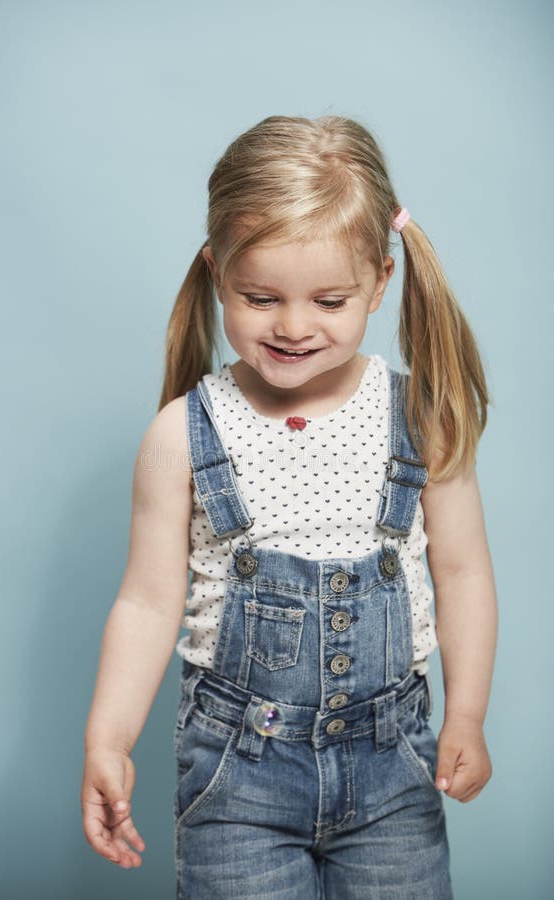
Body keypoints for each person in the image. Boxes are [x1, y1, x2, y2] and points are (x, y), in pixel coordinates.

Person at [81, 114, 497, 898]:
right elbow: (146, 603)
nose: (294, 326)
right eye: (261, 297)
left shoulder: (420, 419)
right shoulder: (181, 435)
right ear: (217, 273)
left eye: (330, 300)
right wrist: (107, 739)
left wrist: (466, 714)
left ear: (381, 279)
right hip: (238, 780)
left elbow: (464, 573)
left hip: (392, 771)